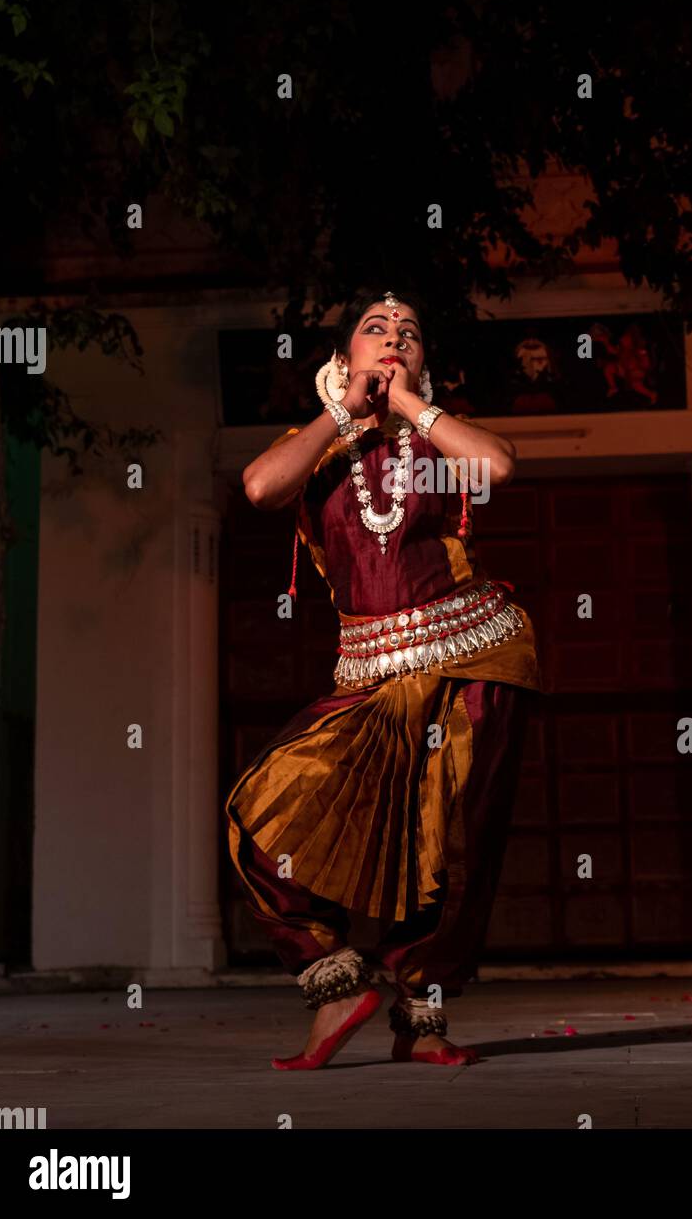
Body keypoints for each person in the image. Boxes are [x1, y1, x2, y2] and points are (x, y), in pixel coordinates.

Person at [225, 289, 542, 1069]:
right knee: (261, 817)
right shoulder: (321, 447)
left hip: (475, 654)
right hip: (368, 674)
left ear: (422, 362)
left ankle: (420, 1022)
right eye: (376, 329)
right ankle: (333, 985)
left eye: (410, 331)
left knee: (449, 849)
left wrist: (408, 404)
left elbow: (499, 465)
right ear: (344, 360)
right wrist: (345, 414)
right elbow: (260, 488)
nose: (395, 335)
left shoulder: (437, 437)